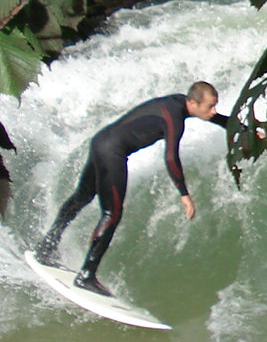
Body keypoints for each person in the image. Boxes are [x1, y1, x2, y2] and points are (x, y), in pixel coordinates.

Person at [34, 82, 239, 296]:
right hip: (112, 153)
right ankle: (86, 275)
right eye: (210, 106)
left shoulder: (179, 103)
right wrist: (184, 194)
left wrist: (248, 131)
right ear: (192, 102)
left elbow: (218, 119)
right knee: (111, 214)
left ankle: (48, 245)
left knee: (82, 197)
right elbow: (170, 157)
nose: (213, 110)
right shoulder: (174, 120)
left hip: (101, 141)